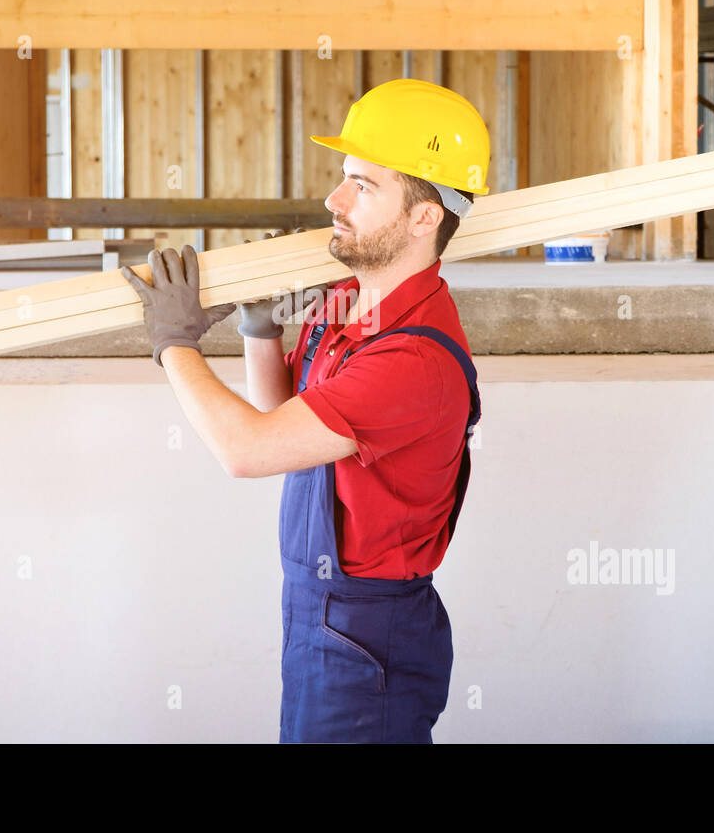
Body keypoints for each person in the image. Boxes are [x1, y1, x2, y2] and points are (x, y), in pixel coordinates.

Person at [120, 78, 487, 743]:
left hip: (369, 628)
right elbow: (285, 415)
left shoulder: (413, 361)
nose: (333, 200)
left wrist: (173, 342)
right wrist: (261, 328)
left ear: (424, 217)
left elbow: (249, 450)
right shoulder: (349, 297)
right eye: (343, 178)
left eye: (364, 186)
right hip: (322, 612)